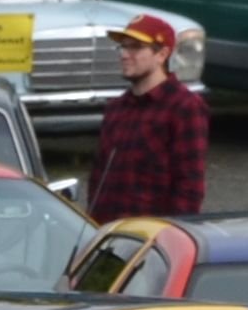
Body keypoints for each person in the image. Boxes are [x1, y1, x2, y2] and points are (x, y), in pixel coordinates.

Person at [86, 16, 207, 223]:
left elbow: (190, 185)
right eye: (123, 47)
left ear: (162, 54)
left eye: (135, 47)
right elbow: (98, 178)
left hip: (152, 235)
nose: (124, 54)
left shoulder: (184, 107)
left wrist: (172, 233)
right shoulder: (116, 108)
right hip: (110, 232)